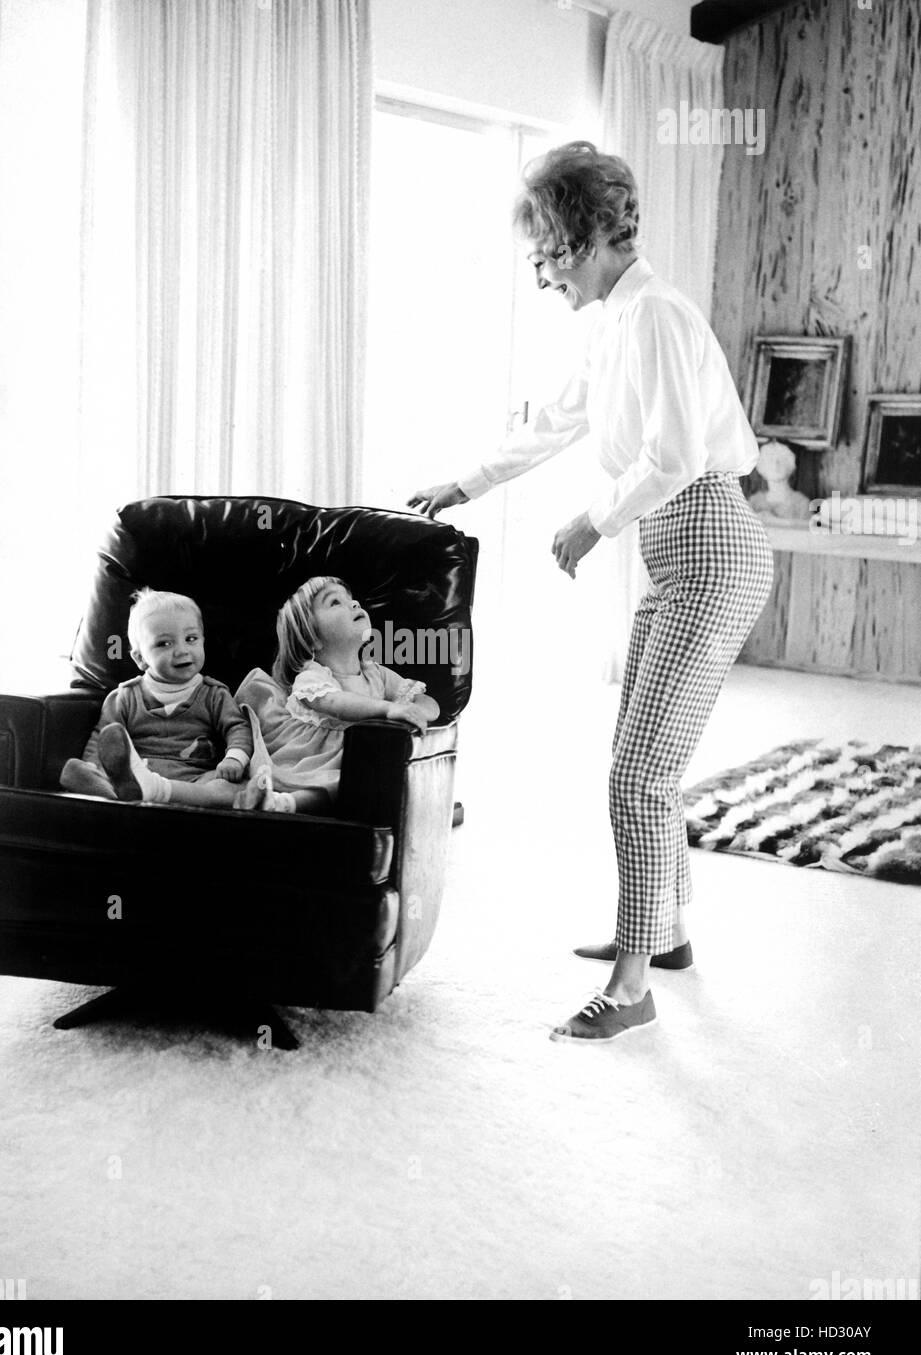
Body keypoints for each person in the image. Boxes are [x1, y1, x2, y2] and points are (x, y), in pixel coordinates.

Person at [408, 141, 773, 1043]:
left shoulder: (654, 315)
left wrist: (589, 523)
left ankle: (634, 981)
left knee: (637, 775)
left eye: (542, 257)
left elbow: (677, 457)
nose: (540, 278)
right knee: (643, 759)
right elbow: (557, 420)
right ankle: (668, 933)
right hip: (677, 550)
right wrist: (466, 482)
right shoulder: (613, 319)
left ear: (576, 239)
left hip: (710, 544)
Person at [236, 576, 440, 814]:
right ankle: (282, 803)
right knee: (338, 784)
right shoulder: (312, 676)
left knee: (358, 782)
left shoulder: (375, 672)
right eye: (335, 602)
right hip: (309, 759)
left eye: (351, 600)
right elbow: (335, 702)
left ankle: (278, 803)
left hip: (354, 757)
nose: (354, 604)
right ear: (312, 637)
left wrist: (419, 712)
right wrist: (388, 708)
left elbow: (424, 698)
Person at [60, 587, 275, 811]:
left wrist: (234, 758)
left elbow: (238, 728)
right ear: (140, 658)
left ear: (203, 641)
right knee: (92, 770)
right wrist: (93, 766)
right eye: (164, 643)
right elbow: (103, 738)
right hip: (137, 773)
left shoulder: (214, 694)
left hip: (195, 780)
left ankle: (138, 792)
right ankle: (102, 785)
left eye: (190, 639)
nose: (182, 650)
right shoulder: (124, 697)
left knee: (230, 789)